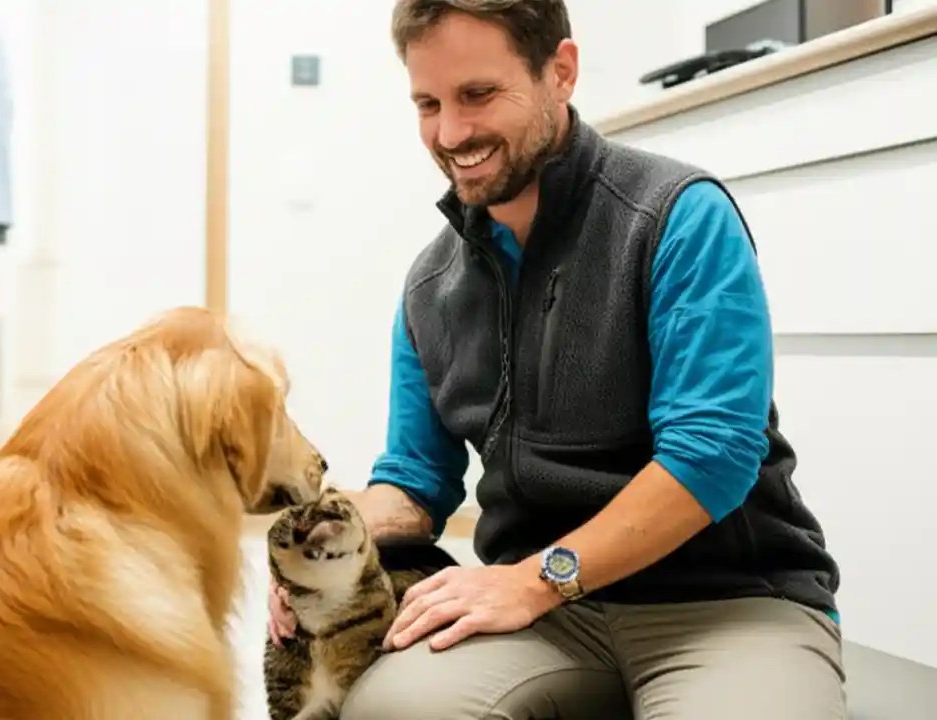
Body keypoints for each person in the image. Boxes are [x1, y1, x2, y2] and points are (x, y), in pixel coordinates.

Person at [266, 1, 847, 717]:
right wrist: (317, 542)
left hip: (727, 602)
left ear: (560, 72)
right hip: (548, 618)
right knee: (392, 711)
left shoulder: (676, 216)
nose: (451, 133)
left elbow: (712, 456)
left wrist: (539, 579)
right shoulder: (429, 286)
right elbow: (414, 483)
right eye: (428, 103)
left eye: (478, 94)